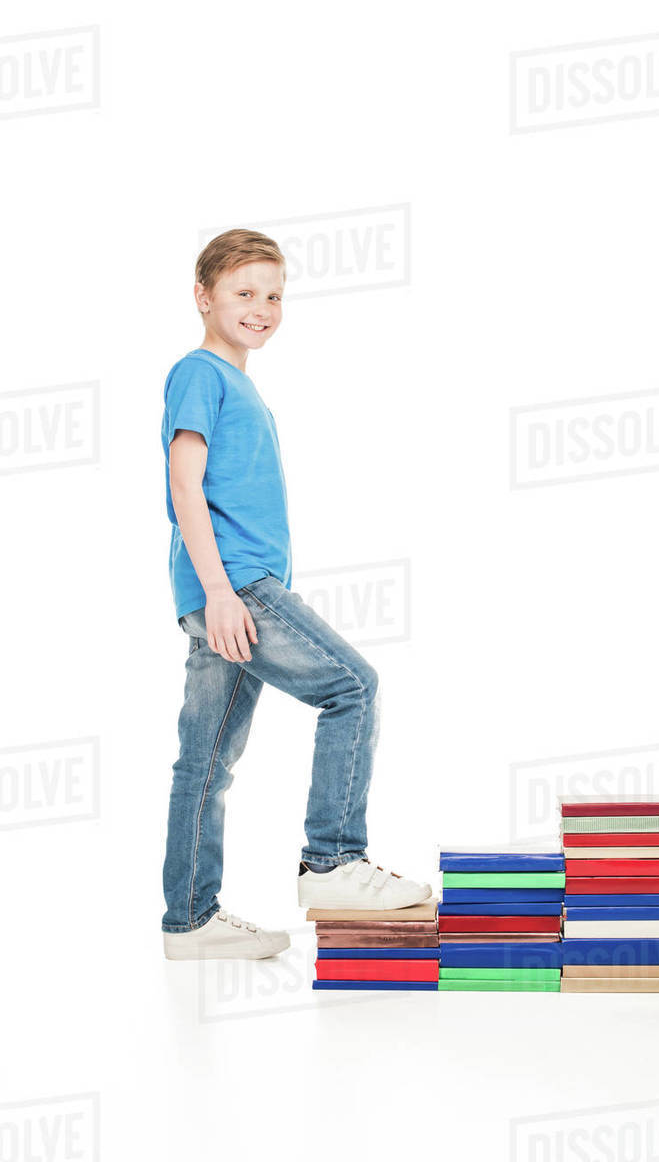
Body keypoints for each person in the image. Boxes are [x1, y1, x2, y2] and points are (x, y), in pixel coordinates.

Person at [160, 229, 431, 960]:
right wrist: (221, 592)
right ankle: (333, 860)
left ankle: (190, 921)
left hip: (233, 587)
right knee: (353, 688)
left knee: (206, 761)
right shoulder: (200, 374)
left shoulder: (238, 383)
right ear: (202, 296)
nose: (262, 307)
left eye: (274, 294)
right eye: (244, 293)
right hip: (236, 586)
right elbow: (184, 486)